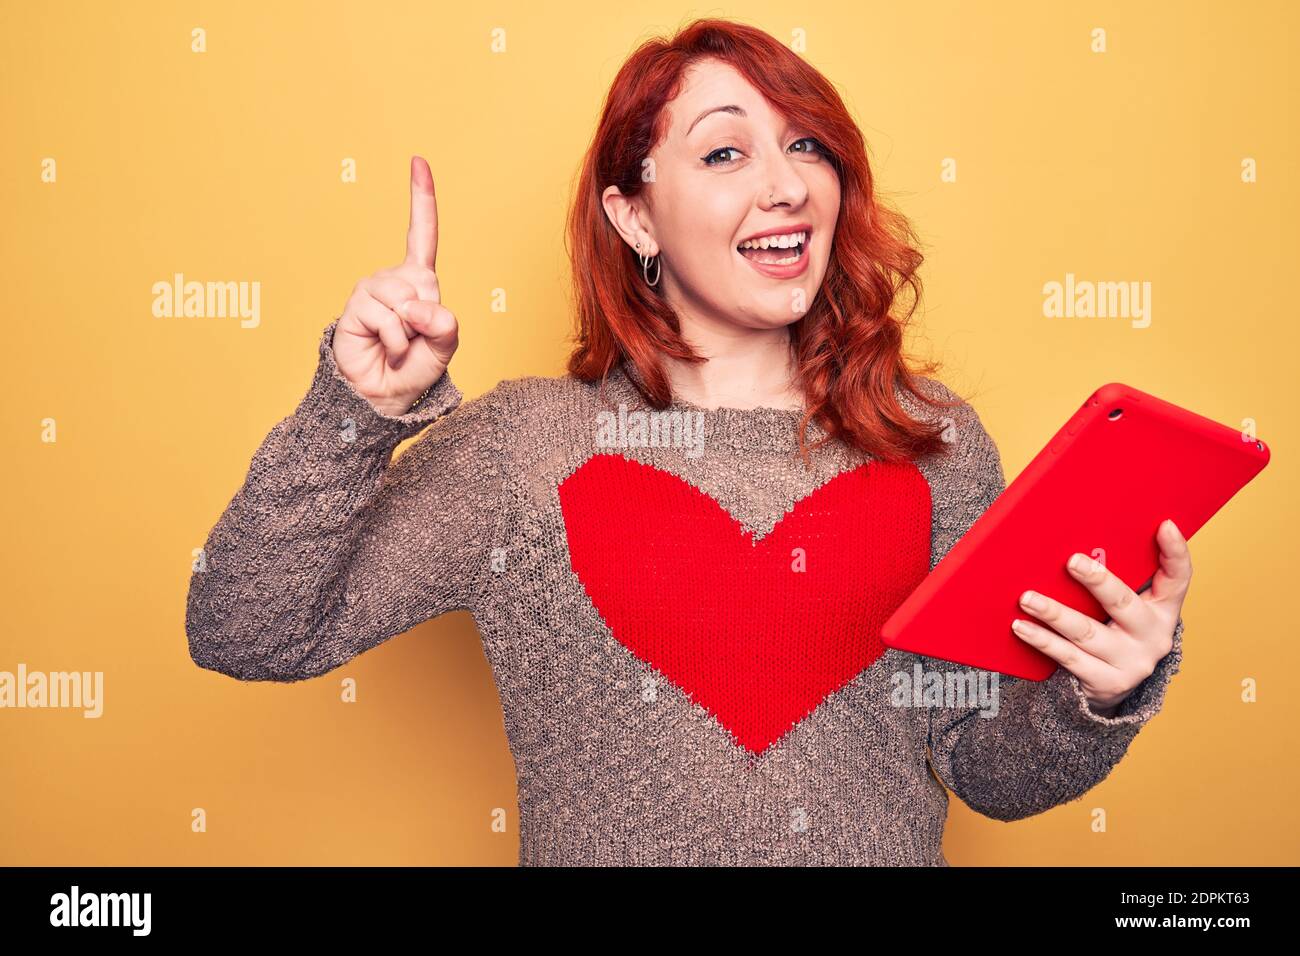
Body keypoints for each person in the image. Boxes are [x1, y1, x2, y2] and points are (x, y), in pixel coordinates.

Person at [185, 18, 1189, 866]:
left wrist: (1095, 694)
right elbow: (251, 630)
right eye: (724, 152)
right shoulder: (524, 448)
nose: (786, 185)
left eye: (807, 147)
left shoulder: (931, 440)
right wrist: (352, 407)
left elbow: (985, 766)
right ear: (633, 214)